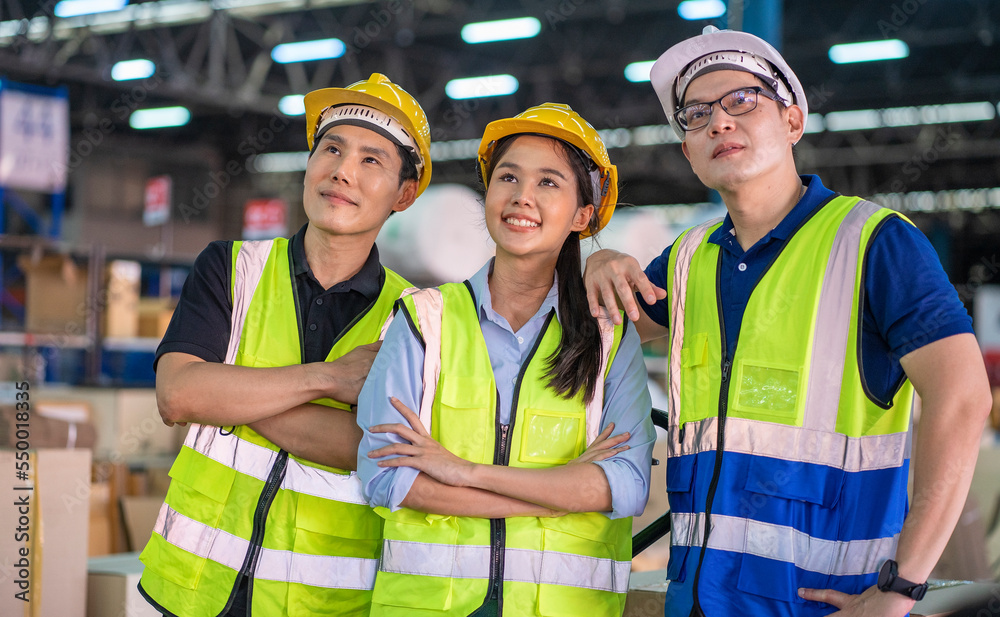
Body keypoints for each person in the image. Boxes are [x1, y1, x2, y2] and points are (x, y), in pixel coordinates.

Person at [584, 27, 993, 617]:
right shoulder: (687, 259)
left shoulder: (875, 244)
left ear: (793, 122)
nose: (719, 122)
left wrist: (901, 588)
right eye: (696, 116)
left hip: (822, 602)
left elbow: (962, 400)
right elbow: (581, 332)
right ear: (688, 153)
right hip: (698, 600)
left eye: (742, 101)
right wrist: (594, 258)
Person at [137, 73, 432, 617]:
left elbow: (371, 449)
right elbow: (178, 396)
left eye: (372, 161)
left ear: (405, 194)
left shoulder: (416, 318)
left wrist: (228, 391)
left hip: (322, 601)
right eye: (332, 148)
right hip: (191, 589)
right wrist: (328, 378)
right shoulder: (229, 267)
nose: (342, 170)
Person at [355, 103, 656, 617]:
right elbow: (388, 477)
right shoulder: (424, 321)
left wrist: (462, 472)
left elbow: (624, 487)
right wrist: (563, 489)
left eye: (549, 183)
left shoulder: (607, 337)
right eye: (508, 177)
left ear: (583, 215)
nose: (522, 196)